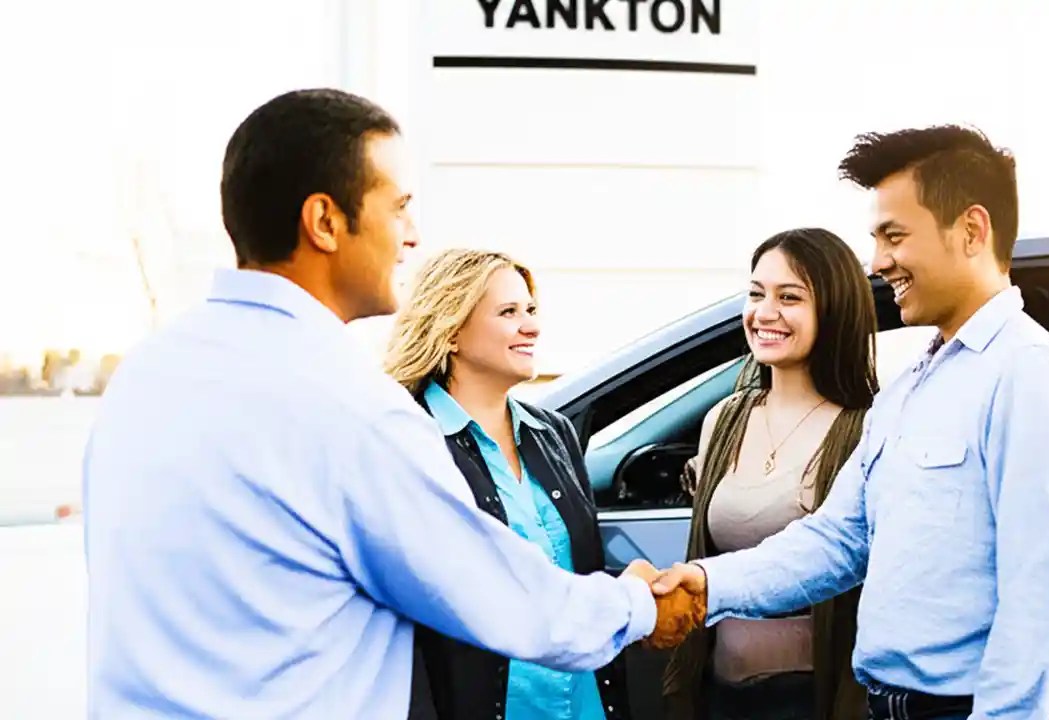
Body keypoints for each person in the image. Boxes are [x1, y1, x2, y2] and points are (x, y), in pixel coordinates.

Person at [80, 88, 688, 719]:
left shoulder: (146, 375)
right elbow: (509, 602)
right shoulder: (351, 407)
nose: (413, 236)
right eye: (398, 208)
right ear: (324, 222)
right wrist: (639, 604)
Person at [649, 125, 1049, 720]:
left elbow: (1042, 601)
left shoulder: (1031, 377)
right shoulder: (912, 388)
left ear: (972, 231)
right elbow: (839, 540)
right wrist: (703, 585)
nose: (879, 262)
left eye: (894, 237)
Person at [382, 248, 631, 720]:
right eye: (509, 312)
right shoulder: (408, 436)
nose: (532, 326)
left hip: (582, 703)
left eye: (531, 310)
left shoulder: (553, 433)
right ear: (452, 331)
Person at [662, 229, 879, 720]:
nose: (764, 313)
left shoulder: (867, 428)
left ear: (835, 309)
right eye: (756, 294)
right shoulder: (725, 419)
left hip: (814, 701)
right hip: (721, 696)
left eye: (789, 298)